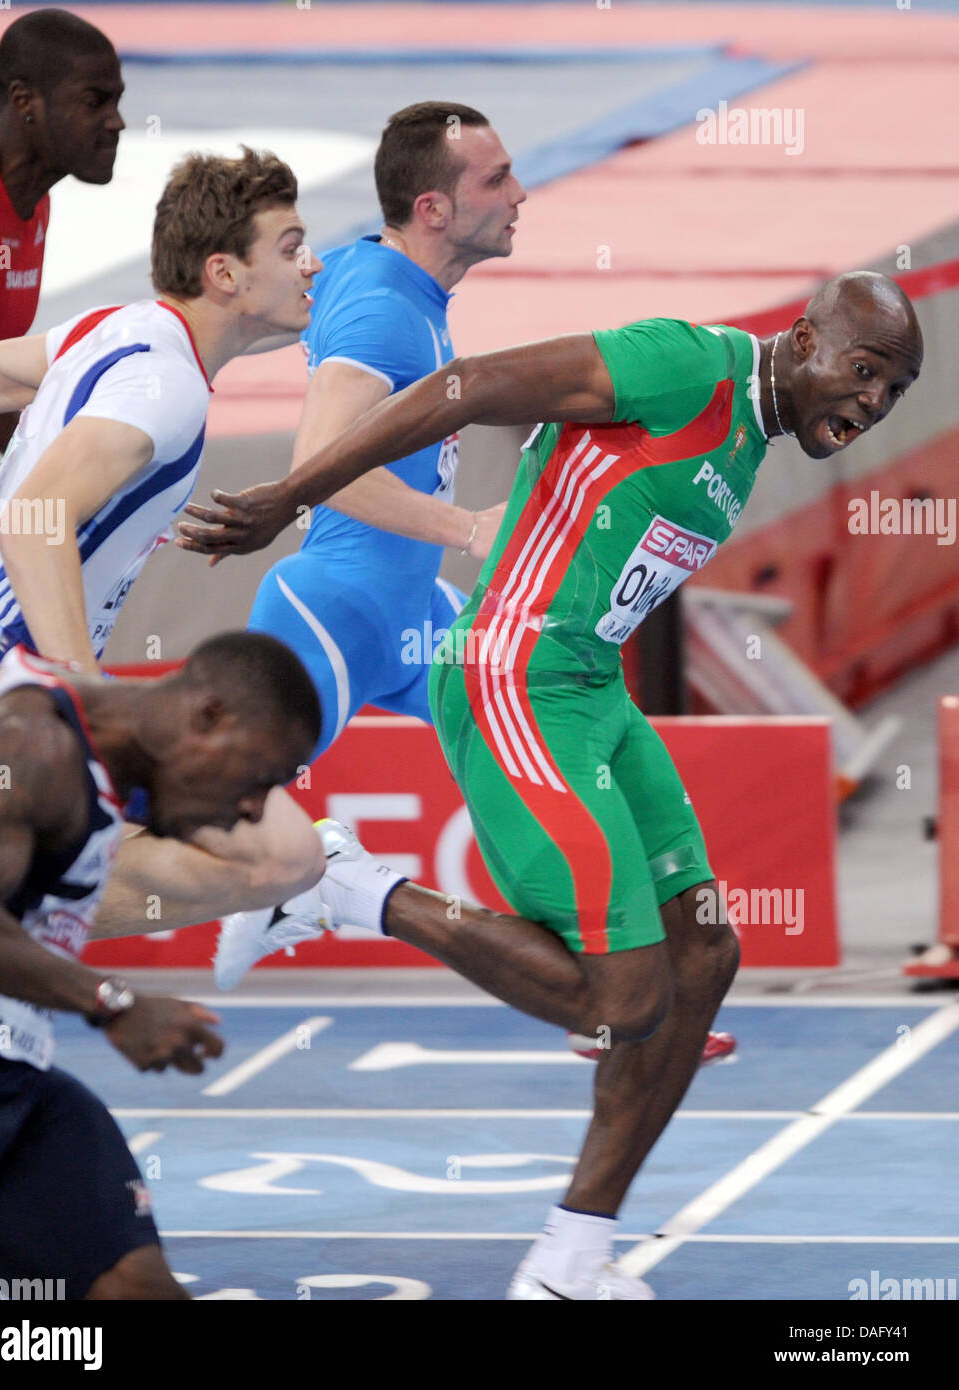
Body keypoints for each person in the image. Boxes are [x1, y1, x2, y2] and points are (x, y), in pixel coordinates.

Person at [177, 270, 923, 1297]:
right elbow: (473, 382)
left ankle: (573, 1259)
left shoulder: (756, 433)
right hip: (510, 674)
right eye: (866, 370)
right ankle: (339, 888)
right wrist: (291, 494)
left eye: (894, 394)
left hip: (591, 693)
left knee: (703, 952)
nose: (873, 403)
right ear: (803, 340)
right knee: (621, 997)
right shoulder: (686, 365)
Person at [0, 146, 326, 938]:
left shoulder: (117, 327)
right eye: (291, 249)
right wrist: (79, 695)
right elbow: (32, 517)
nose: (312, 264)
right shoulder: (167, 387)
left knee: (286, 853)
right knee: (279, 860)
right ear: (224, 274)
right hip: (7, 673)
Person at [211, 101, 519, 985]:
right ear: (432, 209)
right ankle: (310, 875)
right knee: (203, 818)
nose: (520, 194)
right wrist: (468, 527)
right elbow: (319, 463)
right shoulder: (385, 313)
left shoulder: (361, 275)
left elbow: (288, 292)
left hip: (413, 611)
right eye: (496, 180)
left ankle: (610, 974)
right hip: (336, 611)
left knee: (533, 730)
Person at [0, 630, 320, 1300]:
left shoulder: (97, 748)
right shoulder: (28, 743)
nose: (253, 810)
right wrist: (112, 1001)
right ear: (207, 717)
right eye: (259, 779)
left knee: (131, 1288)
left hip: (1, 1078)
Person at [0, 9, 125, 598]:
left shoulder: (31, 208)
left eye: (118, 101)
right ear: (27, 101)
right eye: (95, 101)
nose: (117, 122)